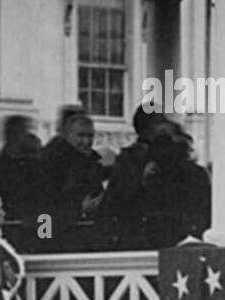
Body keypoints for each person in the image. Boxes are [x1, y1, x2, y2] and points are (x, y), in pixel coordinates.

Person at [96, 107, 175, 248]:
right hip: (137, 234)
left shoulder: (171, 158)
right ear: (150, 128)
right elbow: (118, 199)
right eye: (161, 123)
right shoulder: (129, 160)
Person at [37, 111, 105, 250]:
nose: (86, 142)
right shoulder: (51, 164)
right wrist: (80, 209)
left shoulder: (91, 163)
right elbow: (44, 207)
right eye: (80, 135)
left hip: (80, 235)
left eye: (90, 136)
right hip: (59, 238)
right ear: (67, 135)